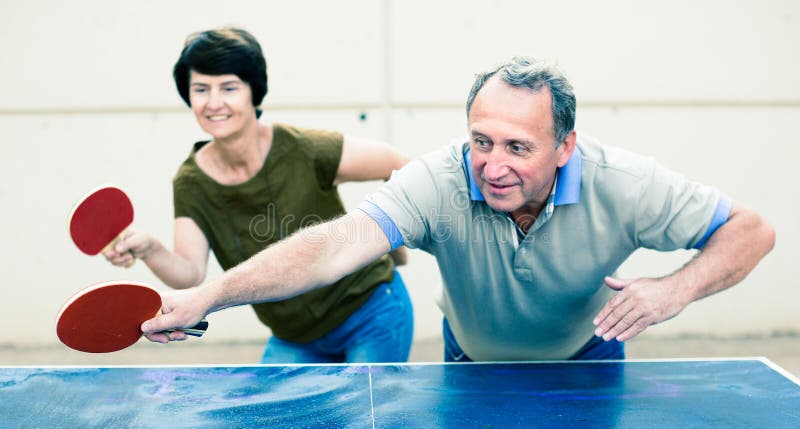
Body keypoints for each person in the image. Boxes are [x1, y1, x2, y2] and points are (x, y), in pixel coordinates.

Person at [140, 56, 774, 362]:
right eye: (481, 140)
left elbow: (752, 229)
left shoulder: (626, 183)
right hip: (468, 357)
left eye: (519, 147)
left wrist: (675, 288)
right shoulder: (440, 179)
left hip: (586, 354)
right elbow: (334, 244)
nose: (492, 165)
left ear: (565, 147)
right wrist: (210, 295)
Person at [103, 27, 414, 364]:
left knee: (365, 417)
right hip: (293, 336)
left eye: (229, 88)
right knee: (266, 418)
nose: (214, 102)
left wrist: (388, 240)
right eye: (201, 89)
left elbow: (401, 166)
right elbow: (190, 274)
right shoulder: (190, 181)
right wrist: (151, 249)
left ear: (254, 91)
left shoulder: (306, 148)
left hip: (370, 314)